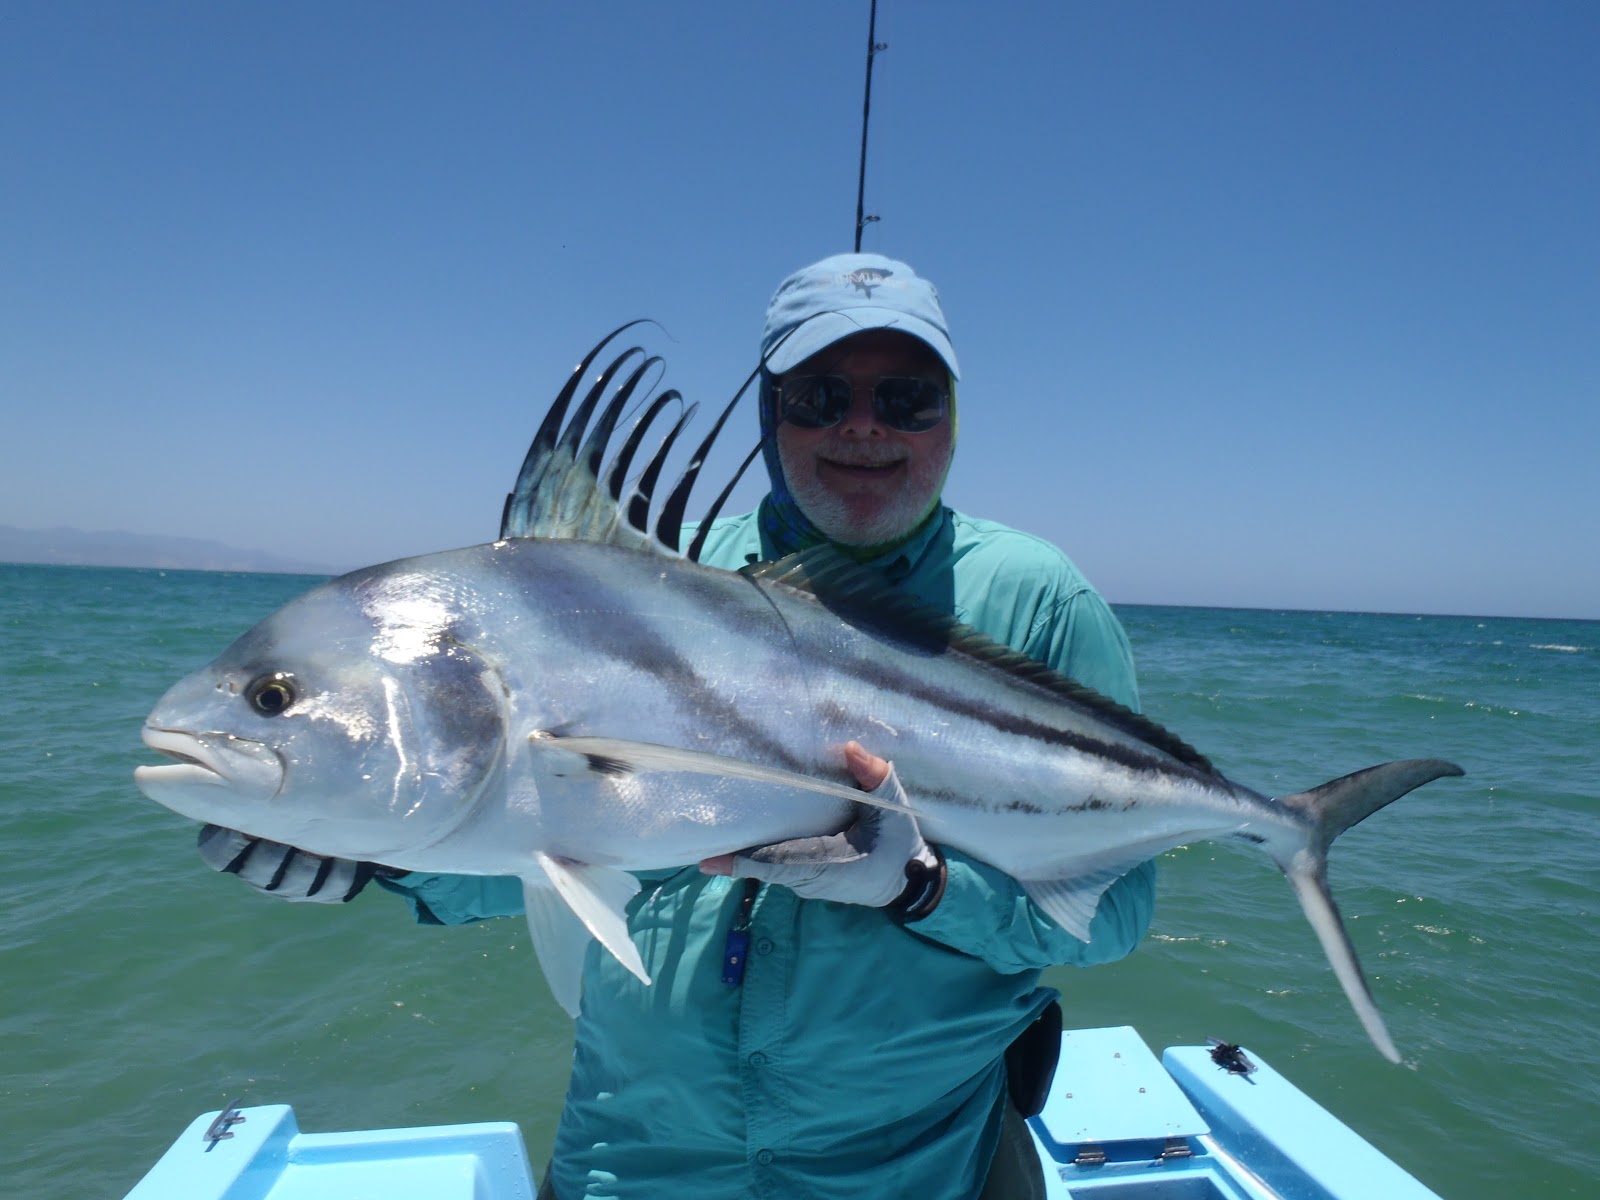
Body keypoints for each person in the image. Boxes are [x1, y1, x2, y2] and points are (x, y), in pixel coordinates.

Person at [201, 252, 1157, 1199]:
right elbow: (561, 836)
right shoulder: (667, 572)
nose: (863, 425)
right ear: (767, 409)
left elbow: (1111, 915)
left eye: (906, 397)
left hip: (906, 1160)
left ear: (952, 414)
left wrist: (922, 887)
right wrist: (379, 857)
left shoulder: (1036, 601)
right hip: (637, 1149)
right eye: (819, 396)